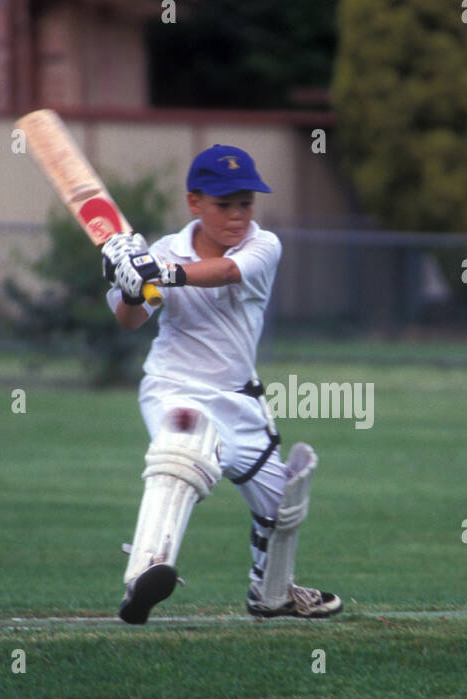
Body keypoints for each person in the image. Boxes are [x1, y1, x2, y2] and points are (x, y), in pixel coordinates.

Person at [100, 145, 342, 625]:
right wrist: (131, 289)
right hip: (174, 388)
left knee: (282, 508)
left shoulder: (262, 245)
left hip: (238, 397)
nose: (237, 216)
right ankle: (144, 574)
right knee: (183, 454)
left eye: (245, 203)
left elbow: (225, 273)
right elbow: (129, 320)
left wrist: (158, 273)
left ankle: (271, 595)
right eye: (222, 204)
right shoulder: (164, 251)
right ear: (195, 202)